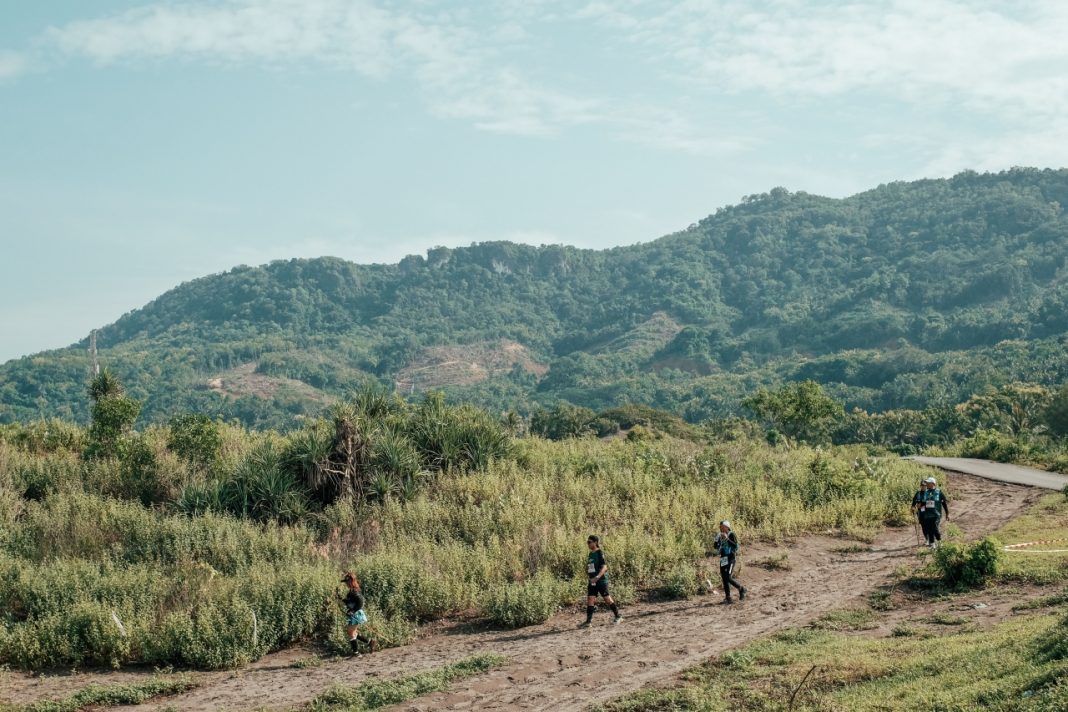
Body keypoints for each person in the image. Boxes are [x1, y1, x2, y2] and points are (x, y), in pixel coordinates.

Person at [580, 535, 622, 627]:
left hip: (601, 580)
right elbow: (591, 567)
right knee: (590, 599)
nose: (588, 544)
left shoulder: (600, 553)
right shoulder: (591, 554)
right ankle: (588, 622)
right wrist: (590, 575)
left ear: (595, 542)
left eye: (589, 542)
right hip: (592, 581)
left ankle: (618, 616)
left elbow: (604, 567)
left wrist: (597, 577)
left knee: (607, 598)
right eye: (587, 542)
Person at [713, 520, 747, 604]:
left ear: (727, 527)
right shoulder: (719, 535)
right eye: (720, 527)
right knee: (724, 578)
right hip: (723, 559)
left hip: (731, 558)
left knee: (728, 577)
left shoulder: (731, 534)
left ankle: (741, 589)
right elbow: (715, 547)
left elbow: (735, 545)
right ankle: (728, 597)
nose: (720, 528)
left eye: (722, 526)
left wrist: (727, 538)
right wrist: (716, 540)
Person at [339, 572, 373, 656]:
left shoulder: (354, 591)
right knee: (352, 632)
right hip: (354, 613)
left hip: (356, 614)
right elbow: (349, 602)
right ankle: (369, 642)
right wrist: (340, 598)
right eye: (345, 582)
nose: (346, 584)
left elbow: (361, 602)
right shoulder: (352, 590)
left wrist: (353, 611)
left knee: (350, 632)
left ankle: (356, 653)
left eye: (347, 582)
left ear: (351, 581)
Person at [914, 477, 949, 548]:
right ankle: (932, 545)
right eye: (926, 483)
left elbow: (944, 503)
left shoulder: (939, 492)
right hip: (927, 514)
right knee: (929, 528)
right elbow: (923, 503)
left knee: (934, 527)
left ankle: (939, 542)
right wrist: (919, 505)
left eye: (928, 483)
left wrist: (947, 514)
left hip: (936, 514)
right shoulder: (926, 493)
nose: (926, 484)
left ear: (933, 484)